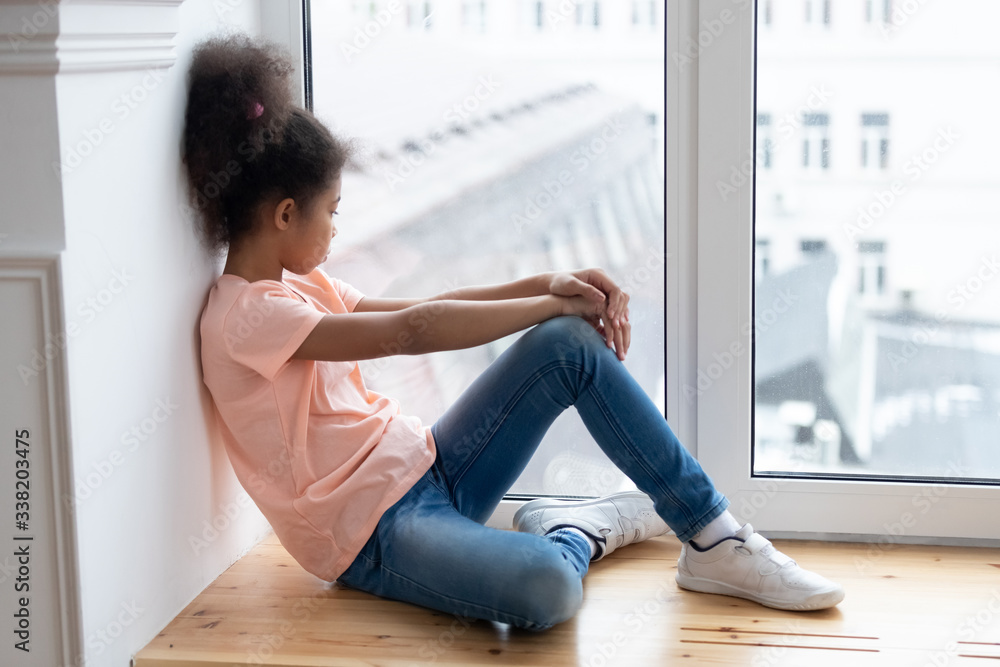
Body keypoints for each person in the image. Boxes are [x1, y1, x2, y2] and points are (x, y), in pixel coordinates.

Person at [185, 34, 844, 632]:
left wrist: (550, 284)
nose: (335, 229)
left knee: (570, 347)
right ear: (284, 214)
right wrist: (546, 306)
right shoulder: (245, 317)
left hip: (429, 464)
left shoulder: (297, 286)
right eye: (331, 213)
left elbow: (432, 302)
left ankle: (714, 536)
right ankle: (576, 532)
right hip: (376, 534)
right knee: (549, 589)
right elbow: (410, 332)